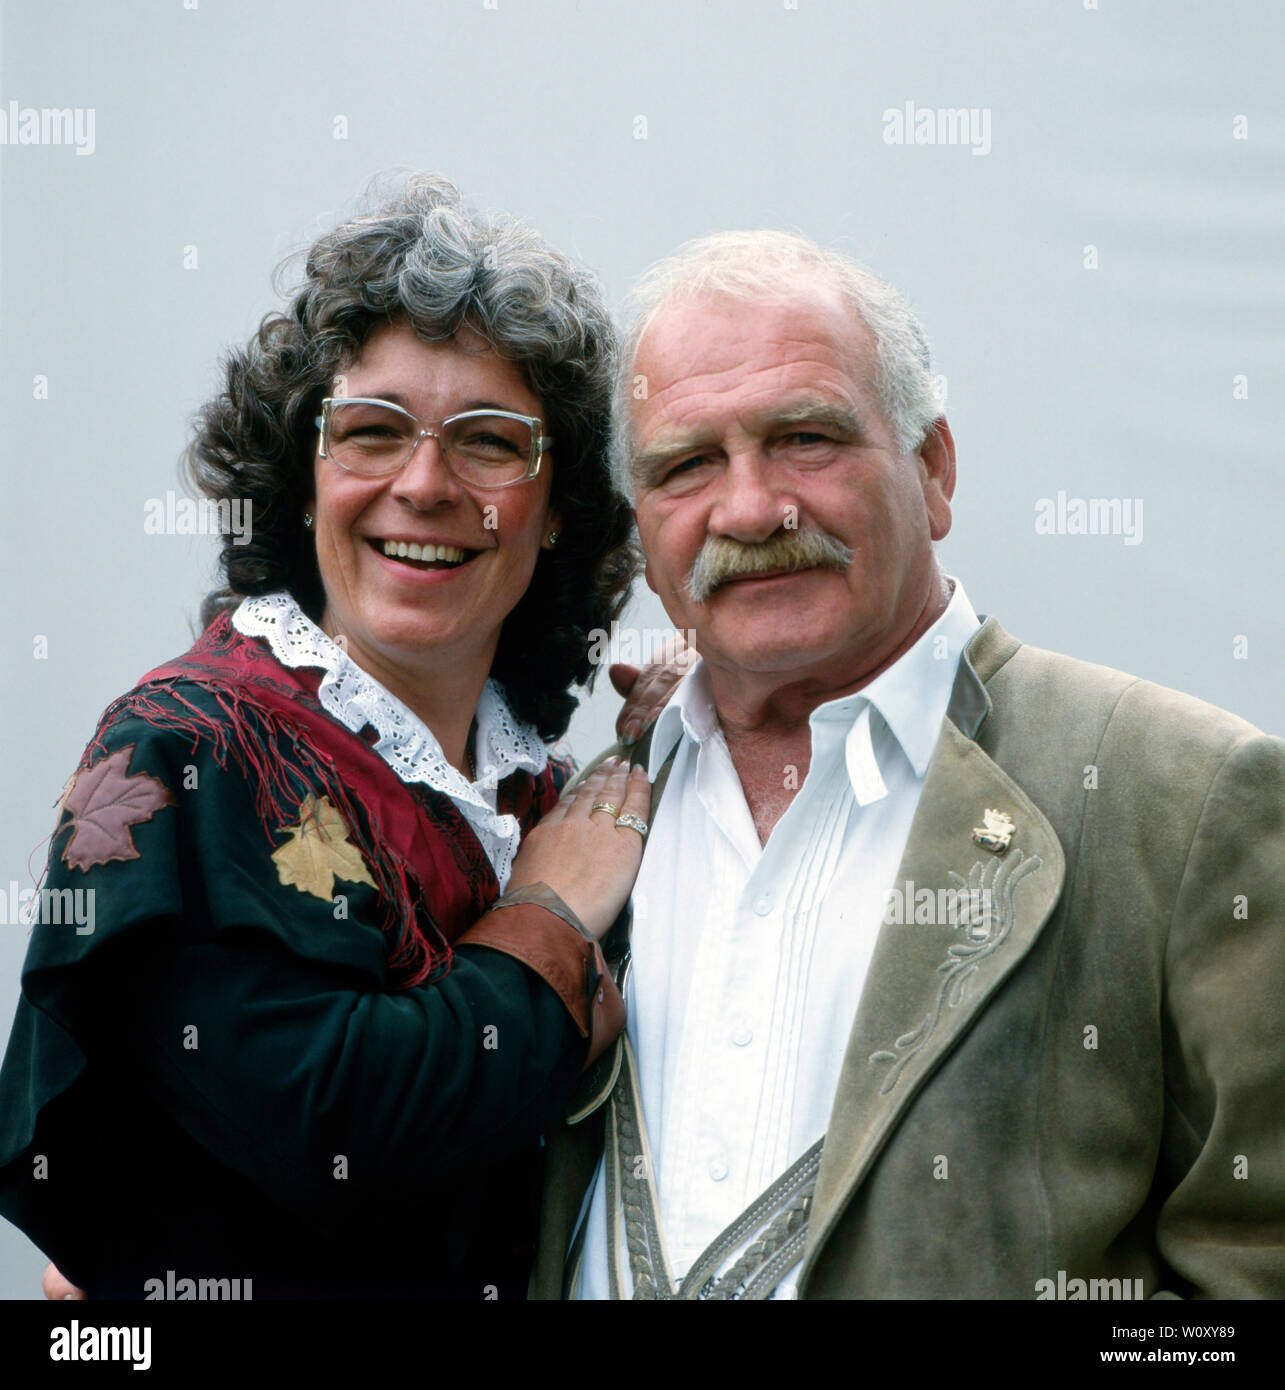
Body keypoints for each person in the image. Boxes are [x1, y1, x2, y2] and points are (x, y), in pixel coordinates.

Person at [531, 230, 1285, 1300]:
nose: (750, 508)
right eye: (687, 464)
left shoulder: (1187, 794)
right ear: (642, 526)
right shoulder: (579, 819)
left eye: (804, 437)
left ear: (932, 469)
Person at [0, 174, 661, 1300]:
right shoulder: (190, 748)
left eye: (491, 444)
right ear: (303, 481)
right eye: (371, 431)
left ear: (559, 508)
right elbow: (336, 1129)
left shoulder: (547, 804)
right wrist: (546, 923)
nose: (424, 483)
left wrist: (700, 726)